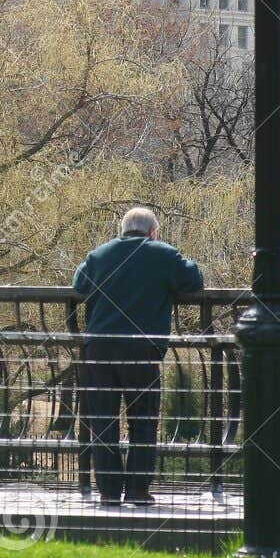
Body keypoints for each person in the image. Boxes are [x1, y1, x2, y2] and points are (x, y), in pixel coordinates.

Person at [72, 206, 204, 508]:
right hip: (142, 350)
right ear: (152, 232)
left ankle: (107, 491)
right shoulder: (163, 254)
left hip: (99, 349)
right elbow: (194, 280)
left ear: (122, 230)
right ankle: (137, 490)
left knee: (103, 421)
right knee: (143, 421)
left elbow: (78, 284)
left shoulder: (99, 255)